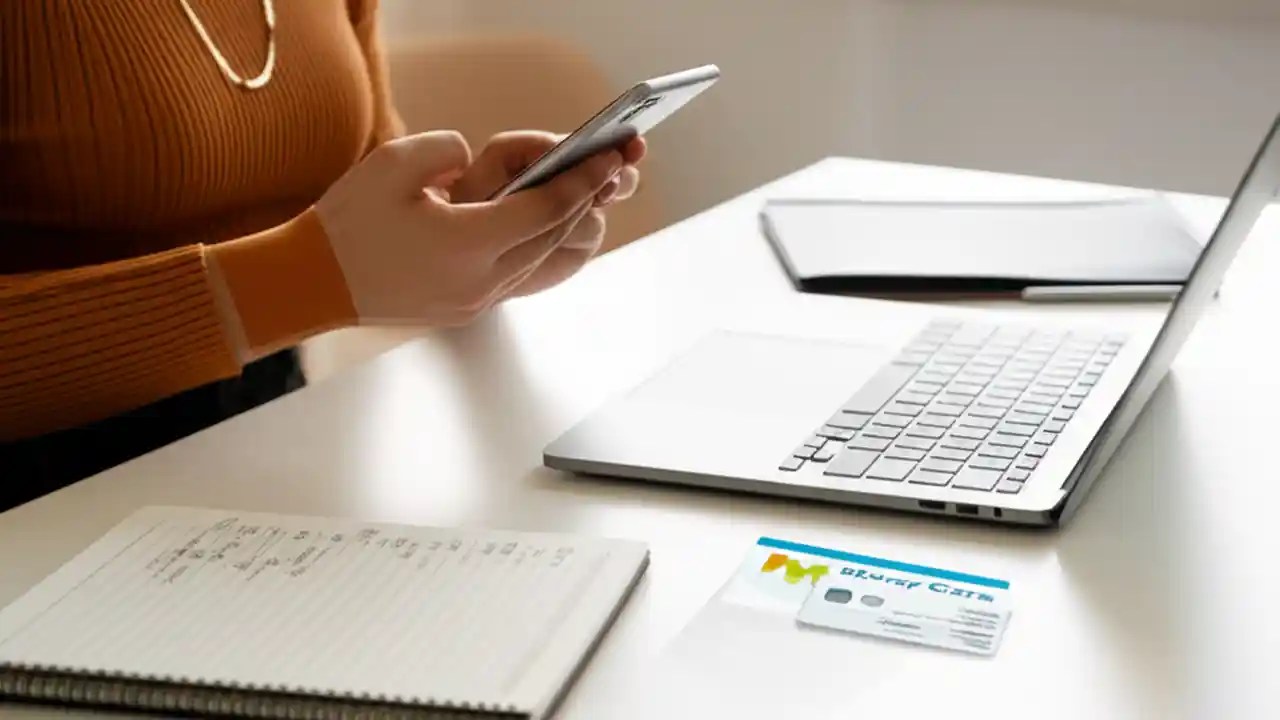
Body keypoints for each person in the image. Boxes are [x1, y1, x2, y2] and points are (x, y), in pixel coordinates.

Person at [0, 0, 645, 511]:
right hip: (43, 505)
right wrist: (306, 278)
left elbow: (361, 182)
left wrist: (479, 227)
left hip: (272, 465)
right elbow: (319, 265)